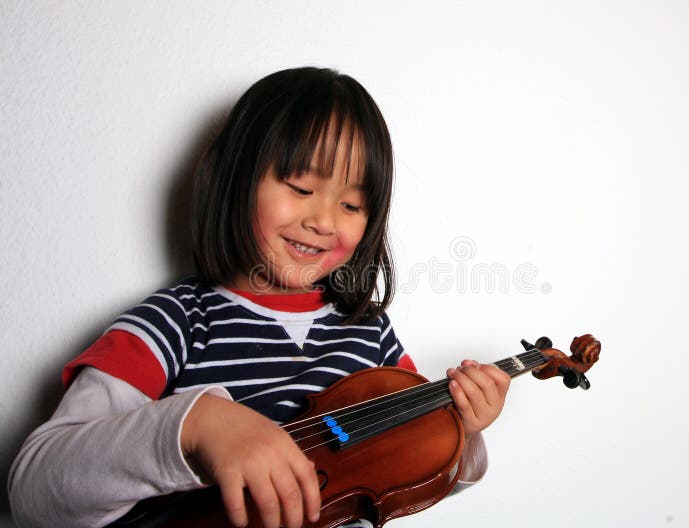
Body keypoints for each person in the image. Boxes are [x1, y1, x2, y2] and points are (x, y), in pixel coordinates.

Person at [8, 67, 511, 528]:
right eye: (299, 185)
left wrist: (462, 428)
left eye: (352, 203)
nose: (325, 221)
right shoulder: (175, 323)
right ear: (237, 176)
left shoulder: (372, 336)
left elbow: (399, 477)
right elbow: (34, 488)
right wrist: (193, 425)